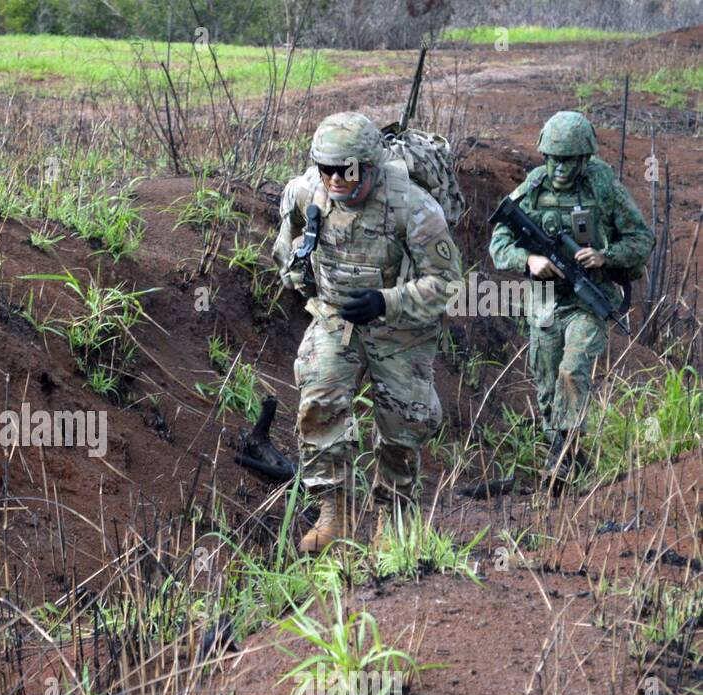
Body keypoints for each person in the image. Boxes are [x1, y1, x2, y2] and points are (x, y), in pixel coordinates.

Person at [272, 111, 461, 552]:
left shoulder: (413, 207)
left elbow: (448, 283)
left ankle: (392, 517)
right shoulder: (305, 193)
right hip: (336, 317)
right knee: (319, 401)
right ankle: (333, 512)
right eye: (327, 169)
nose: (337, 179)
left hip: (400, 326)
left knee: (403, 424)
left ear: (370, 166)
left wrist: (386, 300)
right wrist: (299, 269)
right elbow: (285, 248)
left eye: (348, 170)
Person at [489, 110, 653, 490]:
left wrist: (605, 256)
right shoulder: (532, 187)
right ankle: (569, 456)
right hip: (545, 302)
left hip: (587, 299)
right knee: (547, 386)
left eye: (568, 160)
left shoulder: (603, 188)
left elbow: (642, 239)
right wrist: (529, 260)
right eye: (554, 159)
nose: (559, 169)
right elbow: (499, 242)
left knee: (572, 368)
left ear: (584, 159)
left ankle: (561, 456)